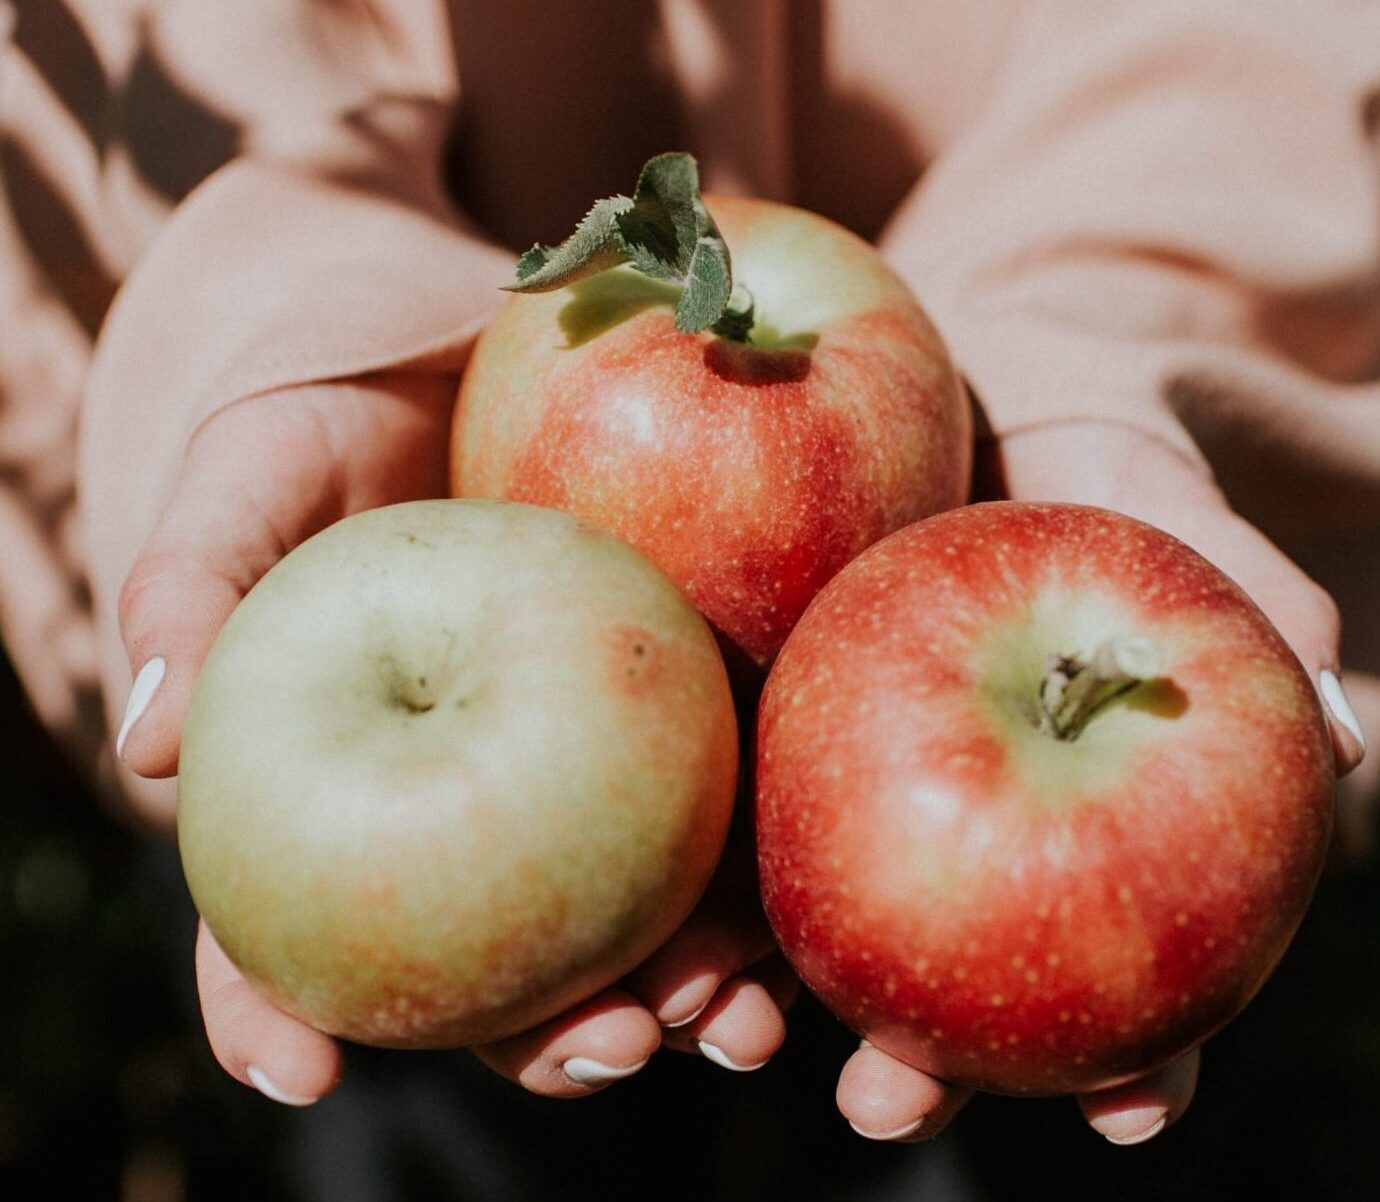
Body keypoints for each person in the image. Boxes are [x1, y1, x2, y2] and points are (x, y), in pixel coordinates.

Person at [3, 0, 1377, 1158]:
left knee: (1034, 1103)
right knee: (434, 1083)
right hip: (441, 749)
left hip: (1012, 783)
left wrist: (1097, 328)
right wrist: (300, 295)